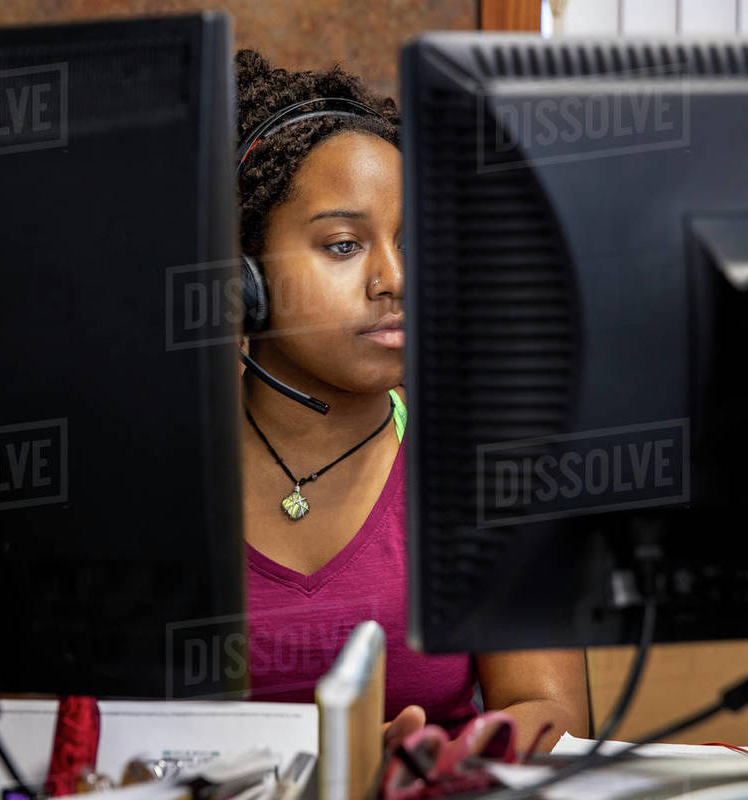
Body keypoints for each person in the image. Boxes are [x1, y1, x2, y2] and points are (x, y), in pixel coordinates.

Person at [235, 49, 590, 752]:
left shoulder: (483, 467)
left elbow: (554, 710)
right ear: (247, 275)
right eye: (343, 245)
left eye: (411, 243)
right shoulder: (152, 471)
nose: (393, 278)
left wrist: (451, 757)